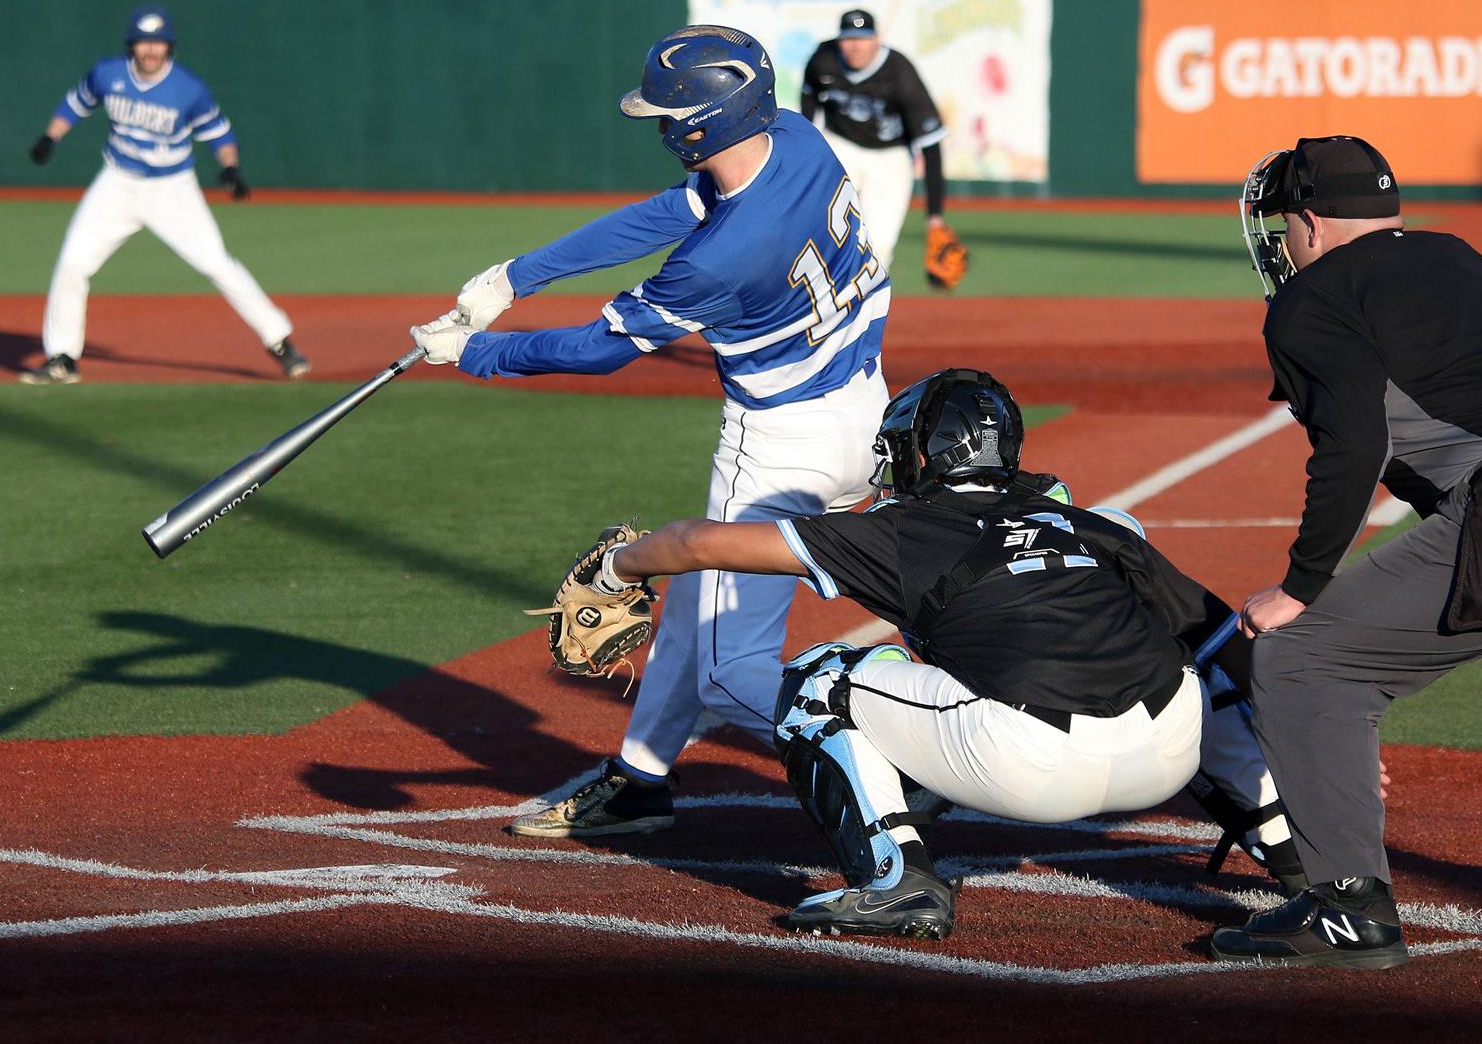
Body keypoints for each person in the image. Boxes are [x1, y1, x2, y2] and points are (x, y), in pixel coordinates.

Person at [545, 368, 1301, 938]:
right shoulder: (1099, 522)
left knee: (819, 682)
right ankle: (1299, 850)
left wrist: (618, 568)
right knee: (1198, 664)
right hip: (1167, 756)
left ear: (923, 455)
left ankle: (895, 879)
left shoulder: (896, 531)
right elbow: (1228, 639)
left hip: (1032, 765)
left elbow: (696, 543)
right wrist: (1311, 754)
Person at [409, 24, 893, 839]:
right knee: (695, 610)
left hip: (779, 453)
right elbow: (671, 211)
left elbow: (600, 349)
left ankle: (898, 750)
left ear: (699, 124)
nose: (661, 127)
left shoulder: (718, 261)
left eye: (668, 115)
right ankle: (640, 779)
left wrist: (475, 353)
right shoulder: (794, 137)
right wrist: (518, 277)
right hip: (867, 419)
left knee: (727, 676)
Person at [1211, 135, 1482, 969]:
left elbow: (1354, 444)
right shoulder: (1460, 259)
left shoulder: (1314, 295)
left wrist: (1301, 587)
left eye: (1284, 223)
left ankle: (1348, 911)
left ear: (1311, 221)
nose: (1282, 241)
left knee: (1303, 657)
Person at [20, 5, 309, 385]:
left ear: (169, 46)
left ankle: (279, 341)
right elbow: (75, 105)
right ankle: (62, 357)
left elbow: (220, 135)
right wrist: (50, 137)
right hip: (117, 183)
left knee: (216, 263)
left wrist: (230, 168)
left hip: (172, 189)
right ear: (131, 45)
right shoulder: (108, 74)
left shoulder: (188, 89)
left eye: (158, 43)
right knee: (73, 261)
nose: (151, 50)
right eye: (143, 42)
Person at [800, 9, 952, 283]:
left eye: (863, 38)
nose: (855, 46)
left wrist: (935, 217)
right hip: (841, 145)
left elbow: (931, 144)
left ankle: (865, 304)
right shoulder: (824, 59)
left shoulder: (899, 72)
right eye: (849, 38)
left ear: (877, 39)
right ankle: (816, 300)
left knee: (879, 245)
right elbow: (808, 104)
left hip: (889, 156)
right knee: (821, 231)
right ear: (839, 40)